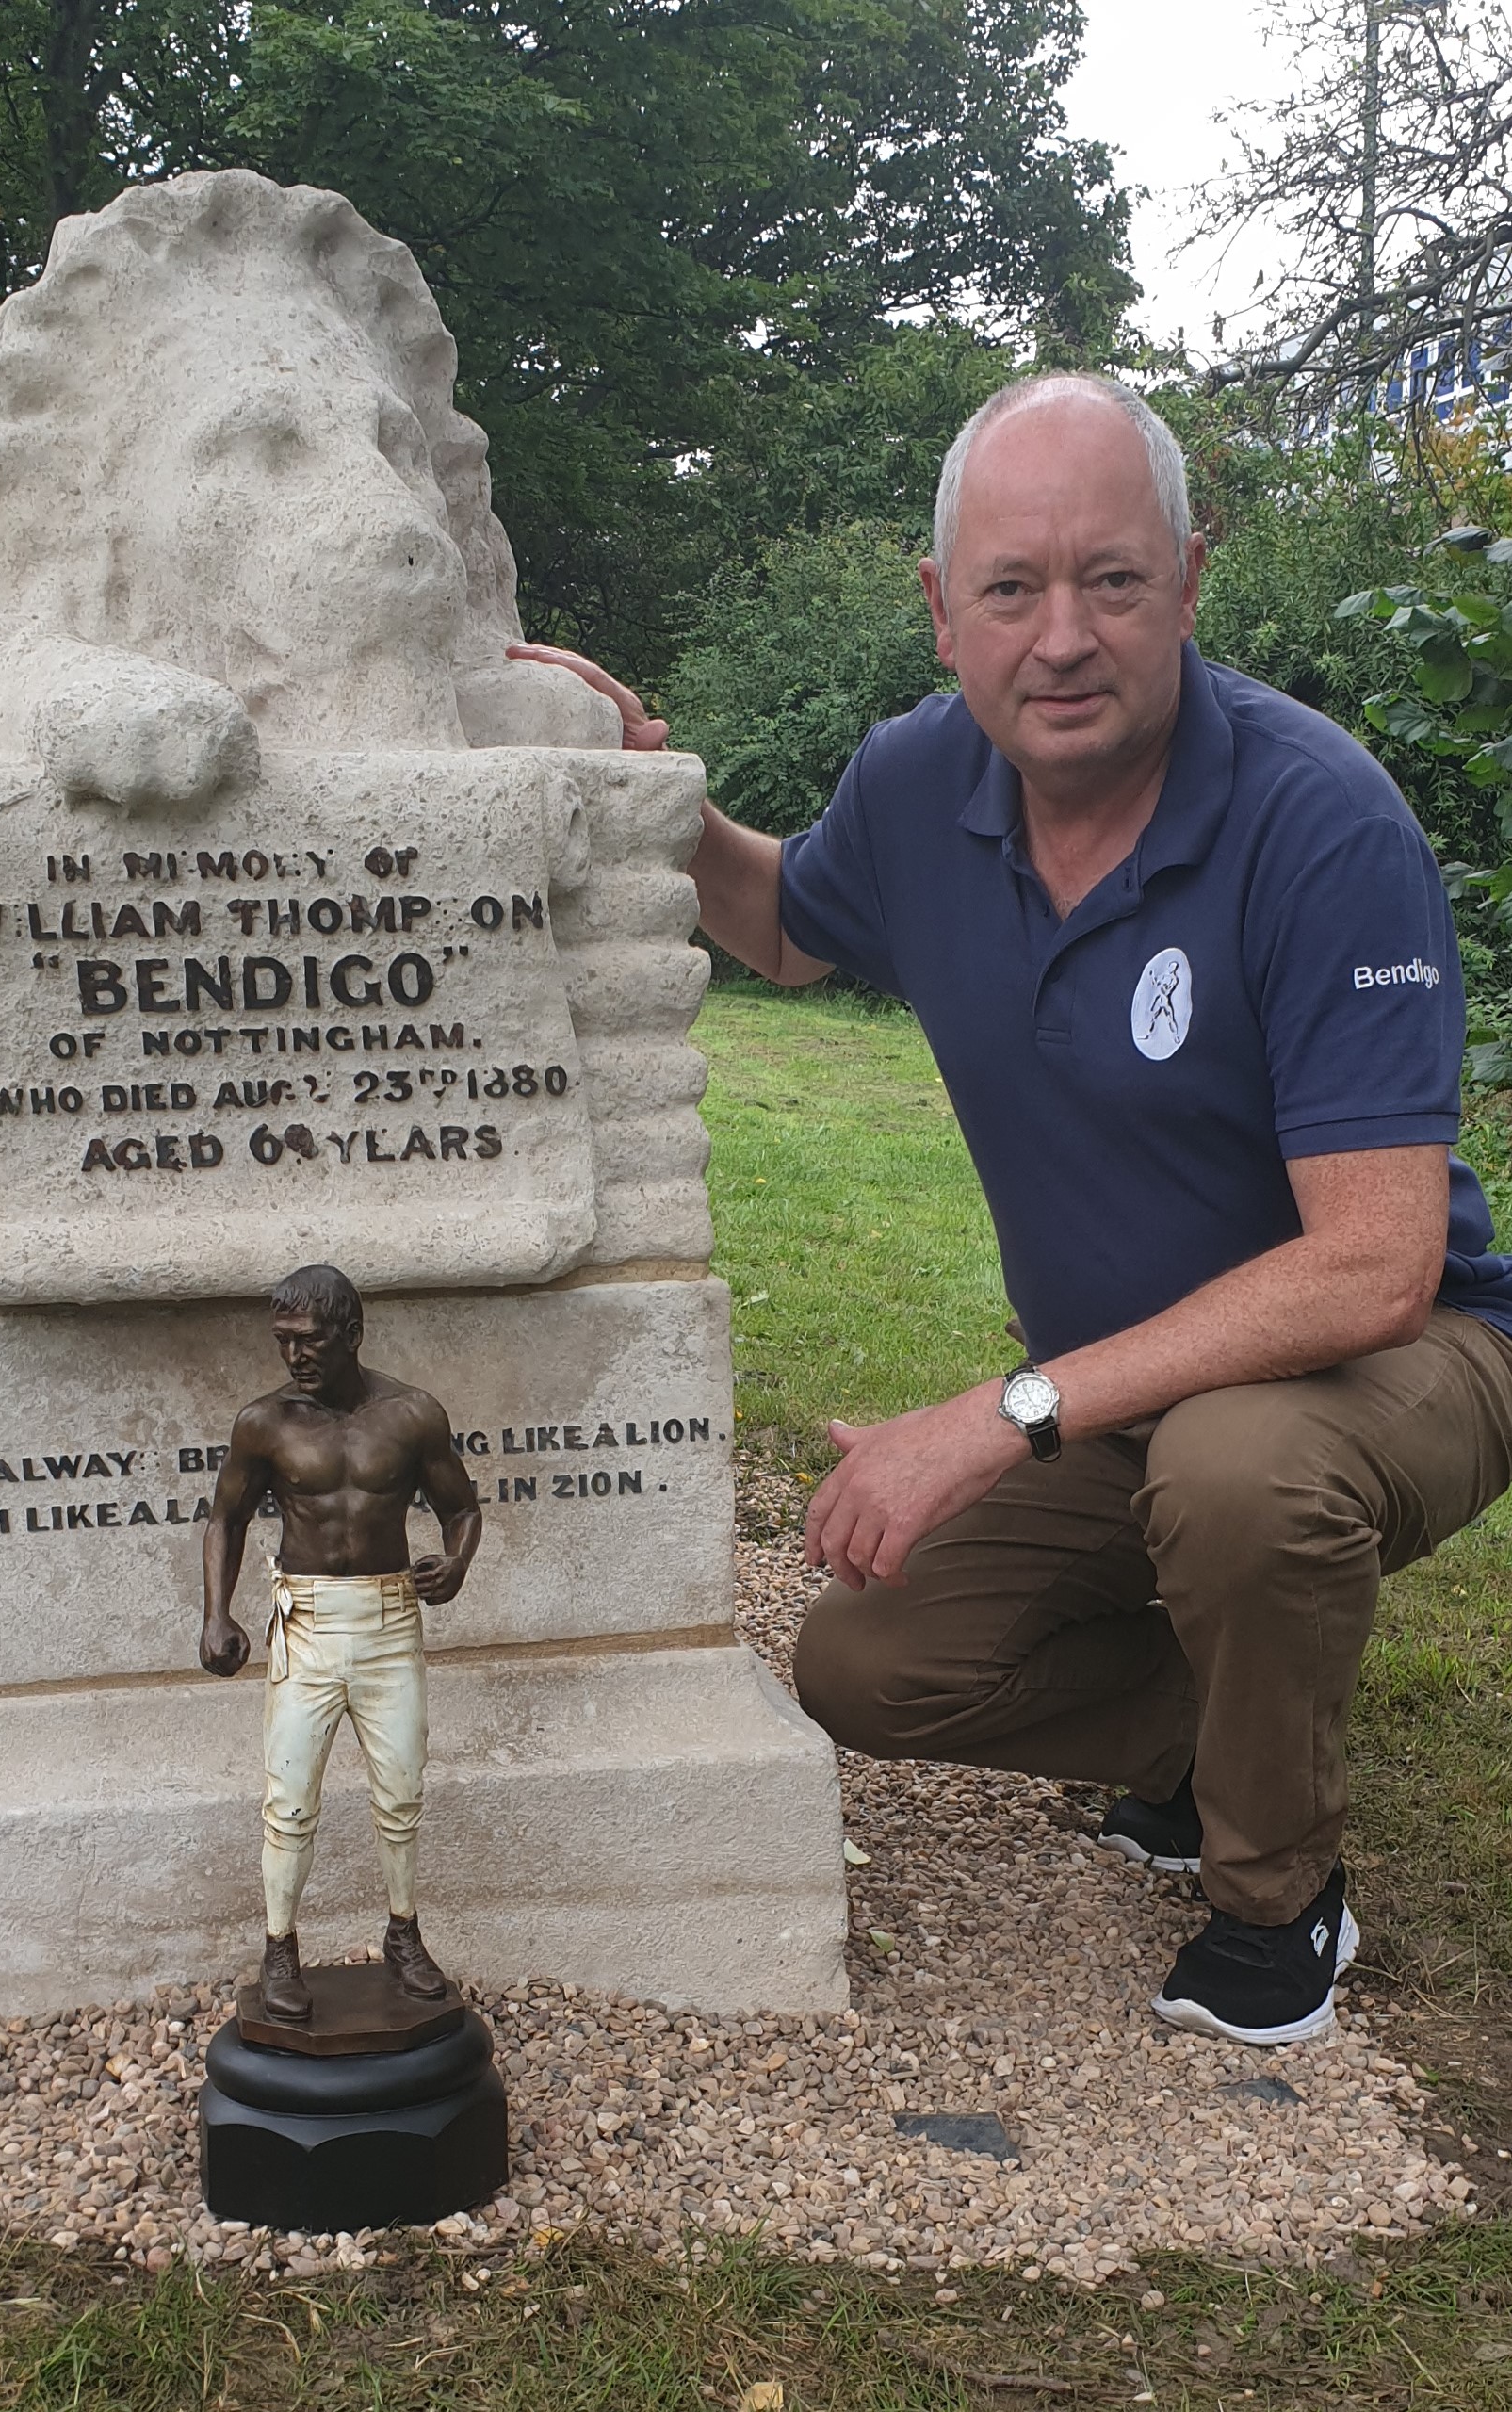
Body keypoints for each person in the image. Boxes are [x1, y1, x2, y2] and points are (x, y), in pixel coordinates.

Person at [511, 371, 1512, 2047]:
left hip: (1408, 1353)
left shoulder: (1312, 818)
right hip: (1132, 1378)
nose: (1060, 636)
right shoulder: (918, 786)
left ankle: (1275, 1899)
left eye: (1110, 581)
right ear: (938, 613)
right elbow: (780, 928)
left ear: (1187, 582)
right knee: (865, 1665)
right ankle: (1209, 1727)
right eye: (1010, 587)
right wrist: (645, 789)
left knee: (1240, 1477)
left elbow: (1370, 1261)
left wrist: (997, 1415)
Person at [200, 1263, 482, 2022]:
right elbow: (225, 1517)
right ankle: (279, 1947)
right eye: (282, 1341)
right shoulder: (265, 1424)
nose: (294, 1357)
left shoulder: (412, 1415)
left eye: (309, 1340)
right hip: (308, 1624)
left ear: (351, 1335)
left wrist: (456, 1562)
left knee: (401, 1794)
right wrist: (216, 1614)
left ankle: (402, 1932)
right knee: (288, 1800)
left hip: (390, 1619)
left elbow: (461, 1506)